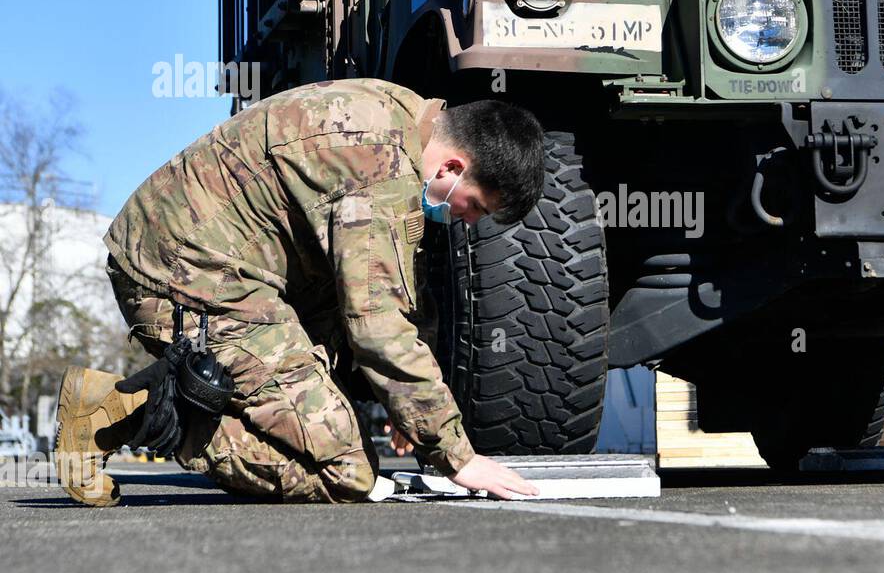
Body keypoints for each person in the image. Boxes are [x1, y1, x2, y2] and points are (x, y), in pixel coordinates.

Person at [55, 78, 545, 506]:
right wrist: (455, 456)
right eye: (475, 205)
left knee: (328, 427)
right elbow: (376, 325)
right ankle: (126, 414)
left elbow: (401, 290)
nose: (469, 220)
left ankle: (182, 398)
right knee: (348, 473)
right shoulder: (381, 166)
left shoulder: (400, 117)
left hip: (223, 268)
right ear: (453, 168)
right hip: (186, 276)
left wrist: (410, 410)